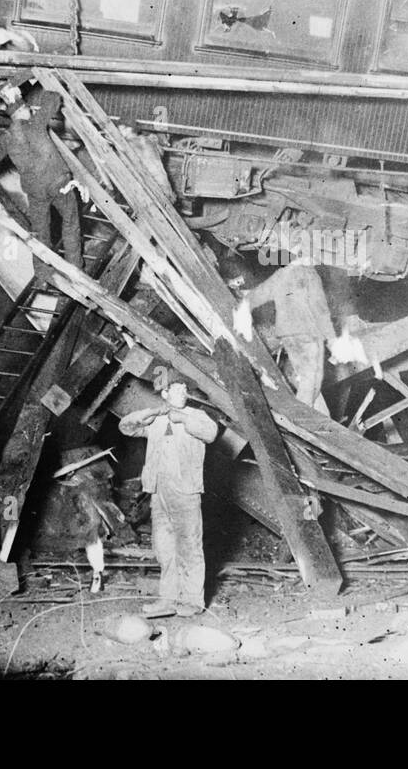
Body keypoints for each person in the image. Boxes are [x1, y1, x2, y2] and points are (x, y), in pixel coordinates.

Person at [118, 370, 218, 617]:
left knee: (189, 547)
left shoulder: (196, 415)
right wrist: (151, 412)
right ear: (164, 394)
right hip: (158, 492)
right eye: (177, 389)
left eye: (185, 389)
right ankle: (168, 600)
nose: (183, 393)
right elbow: (126, 427)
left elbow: (211, 433)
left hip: (185, 491)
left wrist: (181, 417)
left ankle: (193, 601)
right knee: (164, 549)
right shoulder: (156, 420)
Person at [0, 88, 83, 275]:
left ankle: (42, 272)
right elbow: (54, 98)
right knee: (70, 222)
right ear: (22, 111)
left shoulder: (7, 138)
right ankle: (75, 267)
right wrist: (26, 92)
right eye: (27, 107)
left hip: (36, 191)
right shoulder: (36, 123)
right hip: (58, 184)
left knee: (40, 232)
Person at [231, 258, 336, 412]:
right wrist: (331, 338)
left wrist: (243, 308)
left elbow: (258, 295)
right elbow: (320, 308)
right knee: (312, 378)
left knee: (305, 376)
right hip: (307, 331)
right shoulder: (310, 274)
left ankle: (305, 411)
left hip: (287, 334)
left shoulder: (282, 274)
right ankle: (303, 416)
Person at [54, 447, 123, 594]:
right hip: (83, 499)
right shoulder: (78, 479)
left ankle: (97, 575)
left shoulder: (88, 482)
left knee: (93, 531)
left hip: (89, 502)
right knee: (92, 532)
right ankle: (97, 574)